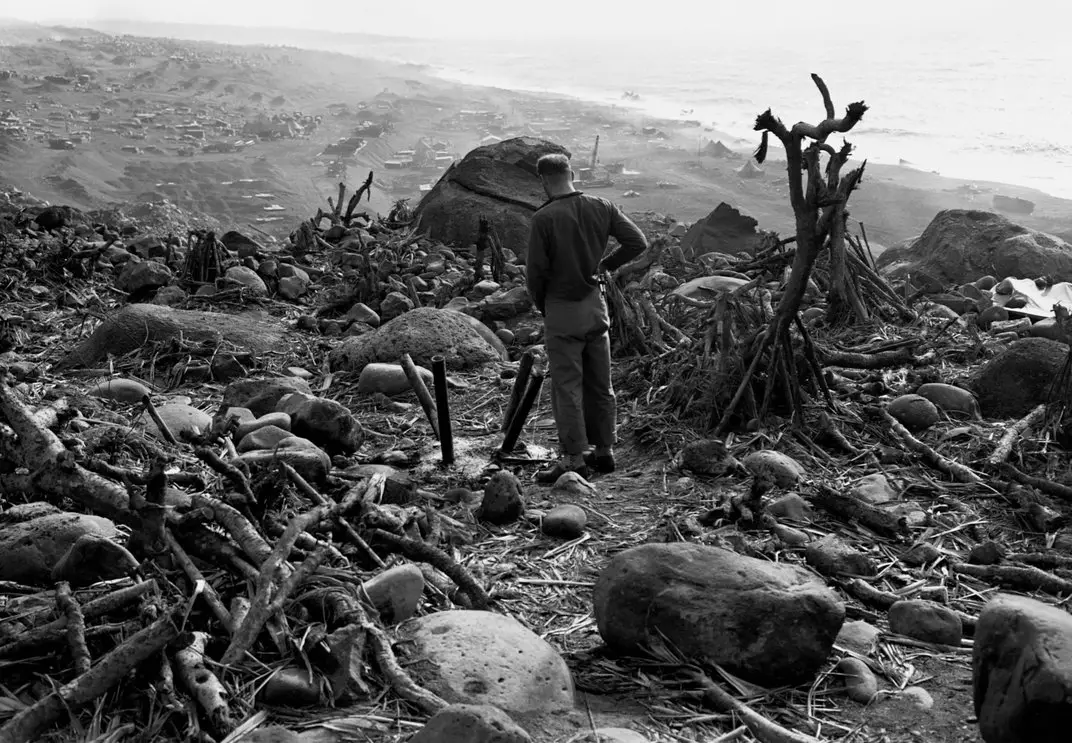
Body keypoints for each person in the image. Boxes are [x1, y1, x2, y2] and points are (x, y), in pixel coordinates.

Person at [525, 153, 648, 483]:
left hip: (562, 311)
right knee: (600, 382)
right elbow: (637, 242)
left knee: (567, 388)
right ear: (572, 173)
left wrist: (544, 305)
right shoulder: (602, 206)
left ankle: (573, 459)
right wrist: (605, 265)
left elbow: (535, 274)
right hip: (597, 307)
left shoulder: (545, 218)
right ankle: (605, 451)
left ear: (544, 180)